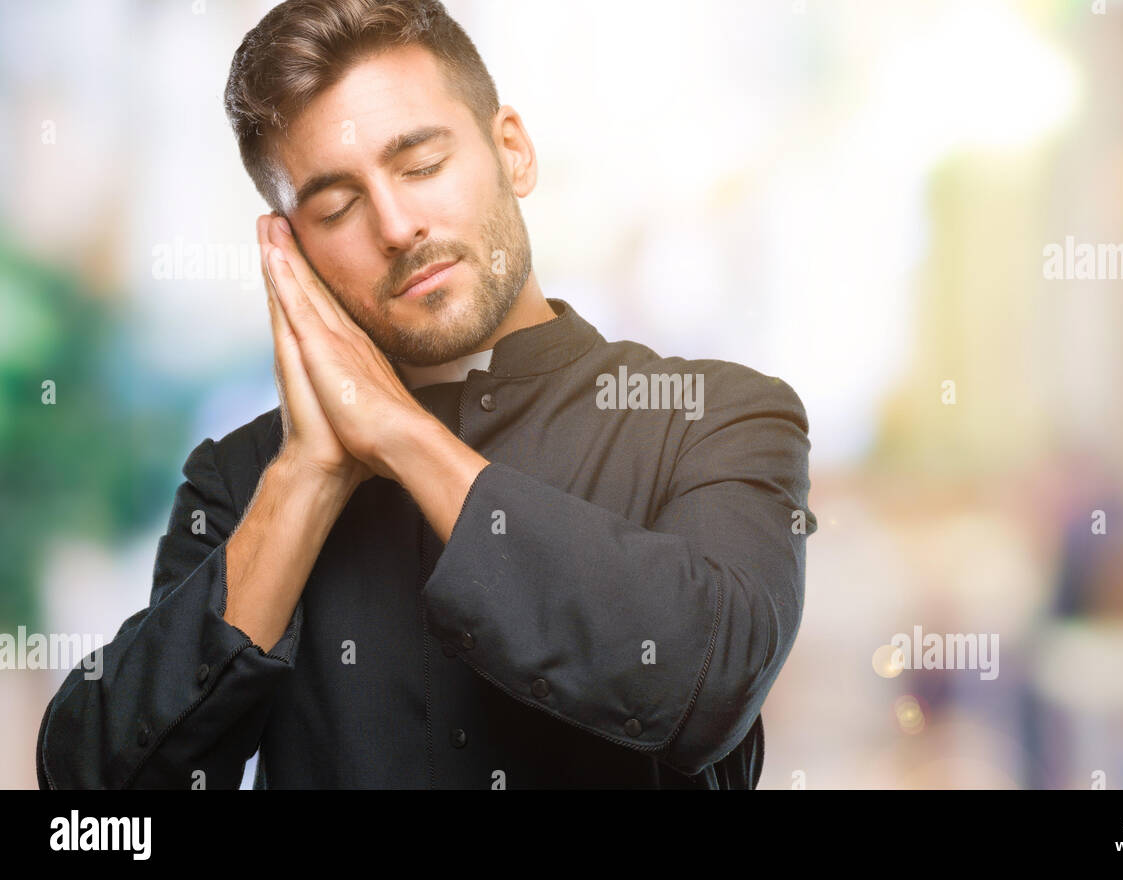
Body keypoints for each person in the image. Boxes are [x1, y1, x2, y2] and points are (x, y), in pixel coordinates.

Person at [37, 0, 816, 789]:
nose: (397, 224)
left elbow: (707, 682)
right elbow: (96, 793)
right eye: (337, 207)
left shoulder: (718, 418)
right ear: (292, 250)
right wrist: (307, 477)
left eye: (421, 166)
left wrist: (402, 436)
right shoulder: (243, 484)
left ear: (511, 150)